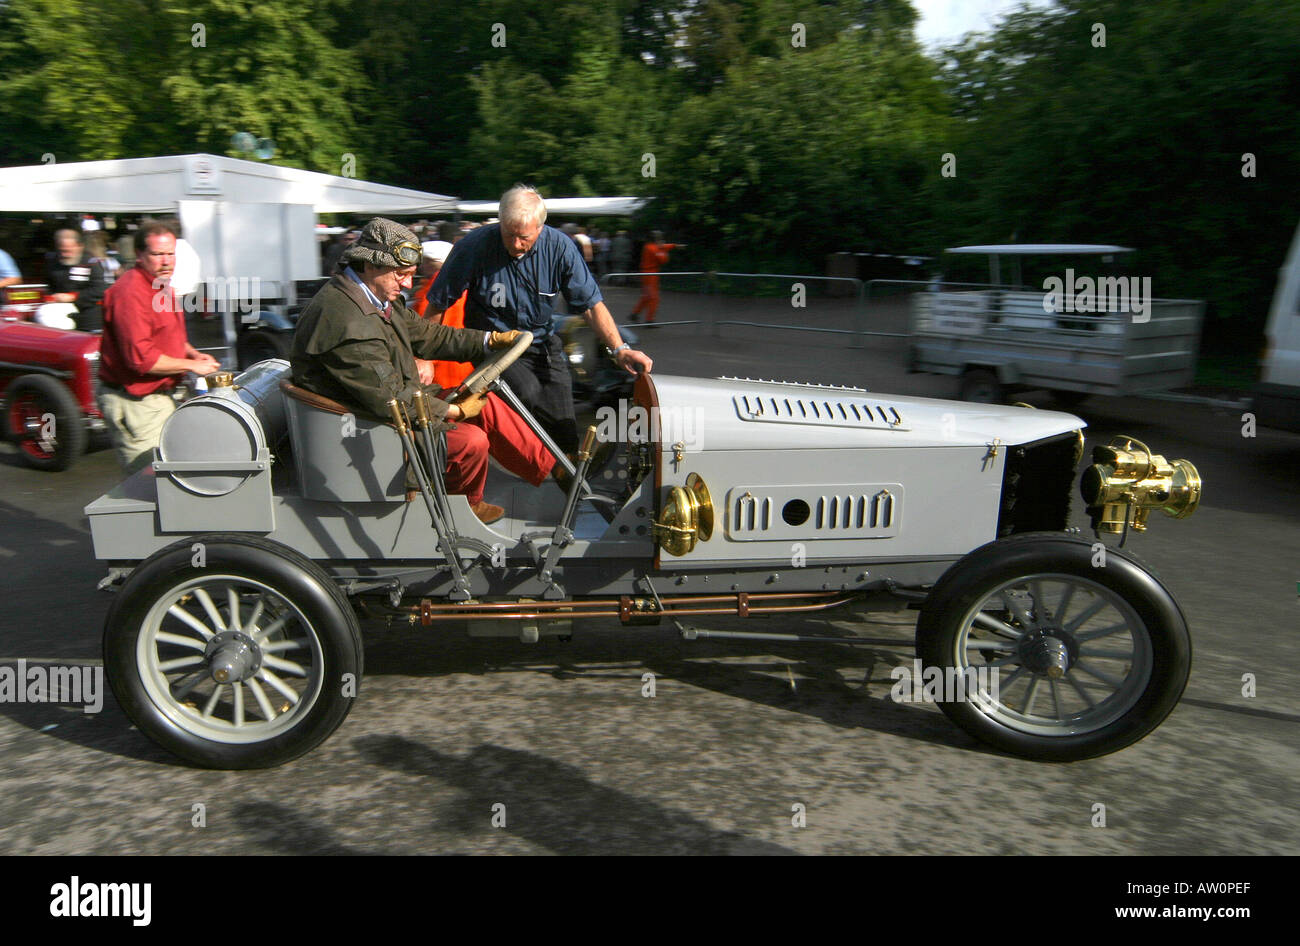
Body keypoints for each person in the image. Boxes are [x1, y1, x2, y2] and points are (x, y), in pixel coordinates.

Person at [291, 217, 563, 524]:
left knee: (488, 409)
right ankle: (462, 511)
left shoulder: (371, 296)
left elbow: (428, 334)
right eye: (402, 274)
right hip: (370, 425)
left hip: (385, 408)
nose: (408, 284)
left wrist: (491, 340)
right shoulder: (348, 320)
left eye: (410, 275)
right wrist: (454, 412)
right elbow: (390, 397)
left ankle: (556, 470)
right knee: (470, 442)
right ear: (370, 266)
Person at [424, 185, 652, 453]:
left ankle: (572, 479)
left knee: (563, 416)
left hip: (540, 340)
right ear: (500, 223)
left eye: (524, 238)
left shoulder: (560, 248)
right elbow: (438, 303)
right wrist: (424, 357)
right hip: (493, 345)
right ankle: (529, 456)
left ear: (541, 229)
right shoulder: (472, 247)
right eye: (509, 235)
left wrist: (620, 349)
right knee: (528, 391)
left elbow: (590, 305)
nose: (516, 244)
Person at [98, 220, 221, 474]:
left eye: (170, 253)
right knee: (148, 485)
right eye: (157, 254)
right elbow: (142, 359)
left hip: (160, 398)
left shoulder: (160, 285)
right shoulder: (130, 293)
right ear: (140, 255)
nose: (166, 261)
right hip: (137, 404)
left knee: (174, 479)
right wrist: (192, 365)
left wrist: (193, 353)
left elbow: (168, 335)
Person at [412, 240, 473, 390]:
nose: (422, 267)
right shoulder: (463, 285)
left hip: (440, 366)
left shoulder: (435, 287)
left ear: (437, 262)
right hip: (462, 362)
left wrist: (421, 358)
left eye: (426, 262)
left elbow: (424, 329)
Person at [44, 228, 108, 331]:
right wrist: (51, 298)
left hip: (88, 315)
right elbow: (49, 286)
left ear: (79, 247)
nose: (64, 254)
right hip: (60, 314)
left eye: (68, 251)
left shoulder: (91, 263)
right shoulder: (53, 263)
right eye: (62, 251)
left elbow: (100, 290)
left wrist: (72, 297)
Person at [629, 231, 682, 324]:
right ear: (657, 239)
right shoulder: (653, 248)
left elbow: (664, 246)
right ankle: (649, 319)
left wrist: (674, 245)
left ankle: (635, 314)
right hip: (650, 274)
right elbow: (663, 259)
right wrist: (665, 252)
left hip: (648, 273)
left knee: (647, 296)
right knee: (654, 297)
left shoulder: (649, 246)